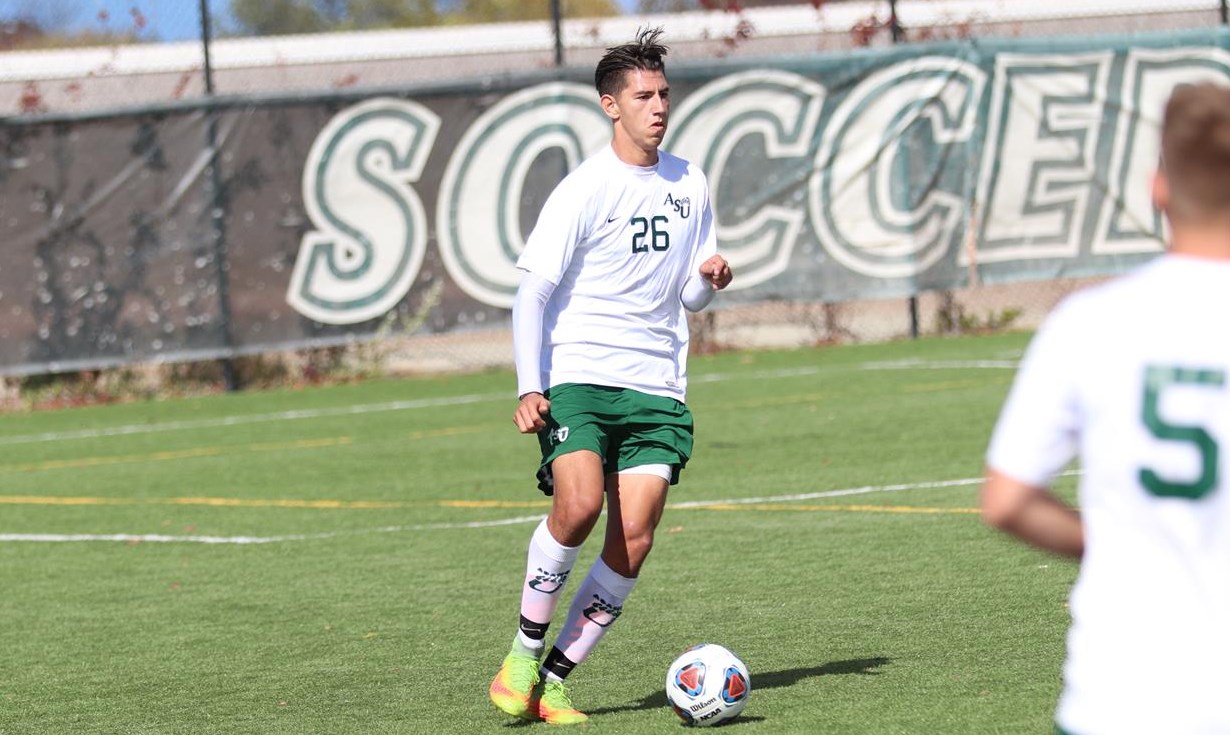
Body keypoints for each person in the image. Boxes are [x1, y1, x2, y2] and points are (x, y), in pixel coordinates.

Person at [486, 26, 733, 726]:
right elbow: (531, 293)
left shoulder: (692, 181)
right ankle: (523, 652)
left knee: (636, 538)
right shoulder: (584, 188)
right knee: (580, 505)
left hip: (657, 386)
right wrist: (529, 385)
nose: (658, 107)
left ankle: (554, 681)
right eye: (643, 96)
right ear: (610, 105)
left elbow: (688, 295)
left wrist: (709, 279)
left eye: (663, 94)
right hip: (580, 377)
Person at [981, 82, 1230, 735]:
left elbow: (1006, 499)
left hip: (1120, 695)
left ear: (1159, 188)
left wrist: (1106, 541)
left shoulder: (1090, 323)